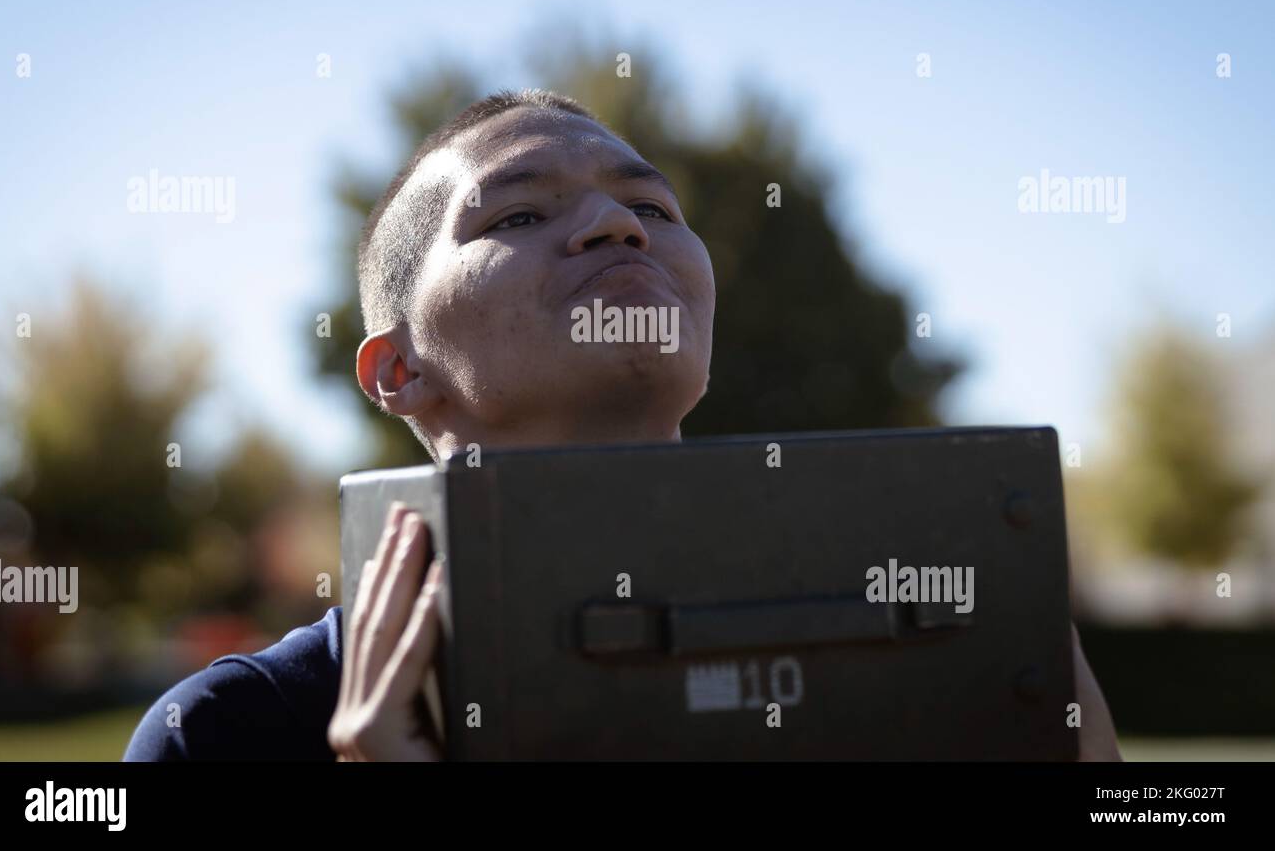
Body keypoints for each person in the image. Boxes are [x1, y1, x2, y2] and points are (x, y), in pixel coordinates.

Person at [124, 88, 1121, 761]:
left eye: (652, 203)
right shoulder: (226, 734)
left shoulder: (911, 633)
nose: (621, 225)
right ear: (396, 368)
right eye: (515, 216)